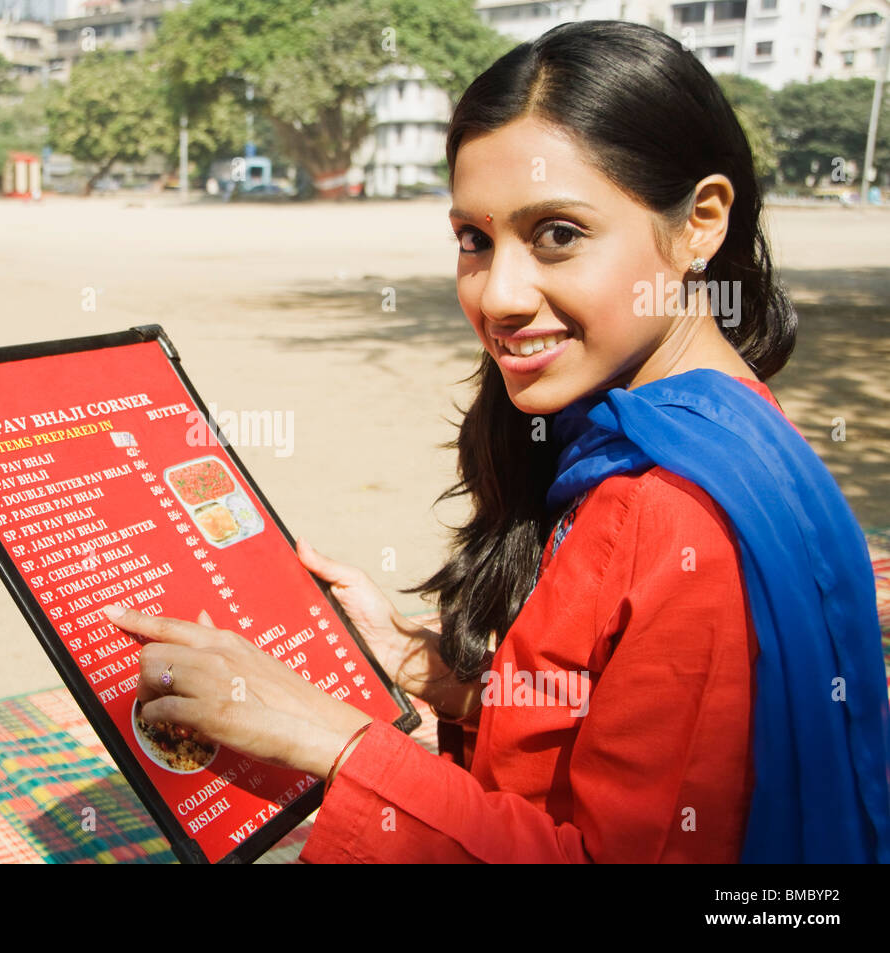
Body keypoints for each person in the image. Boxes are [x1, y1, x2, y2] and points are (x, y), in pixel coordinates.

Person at [101, 20, 890, 863]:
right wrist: (426, 667)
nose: (499, 295)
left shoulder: (680, 517)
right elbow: (602, 715)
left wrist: (328, 739)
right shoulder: (722, 428)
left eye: (558, 234)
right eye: (474, 240)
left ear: (701, 222)